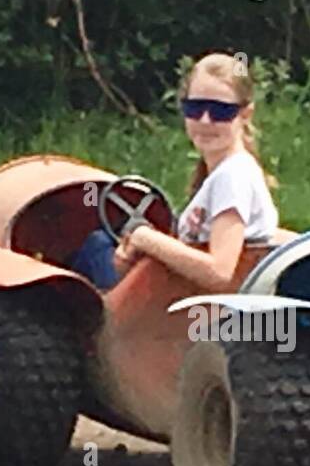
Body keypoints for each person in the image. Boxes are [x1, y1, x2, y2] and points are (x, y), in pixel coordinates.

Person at [71, 52, 279, 291]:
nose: (205, 120)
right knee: (104, 243)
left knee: (94, 246)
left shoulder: (233, 176)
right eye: (194, 108)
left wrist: (146, 238)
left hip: (185, 310)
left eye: (221, 111)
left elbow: (220, 273)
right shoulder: (228, 171)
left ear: (245, 114)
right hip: (179, 298)